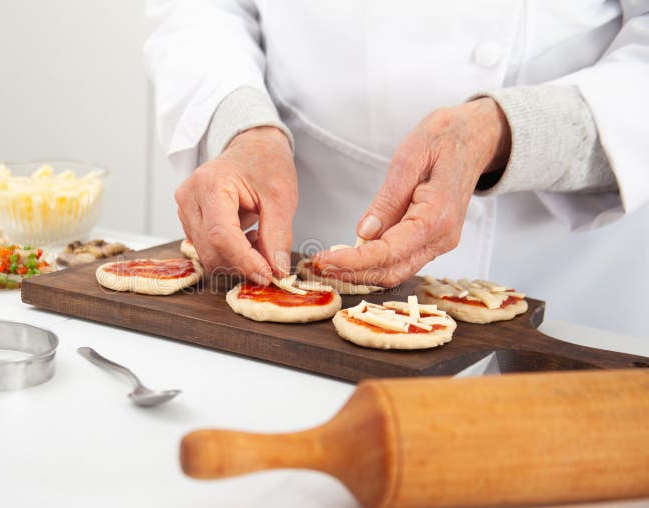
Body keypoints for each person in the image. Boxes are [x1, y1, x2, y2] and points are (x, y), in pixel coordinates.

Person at [144, 1, 649, 336]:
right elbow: (201, 8)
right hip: (307, 225)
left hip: (563, 271)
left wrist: (508, 131)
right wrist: (243, 127)